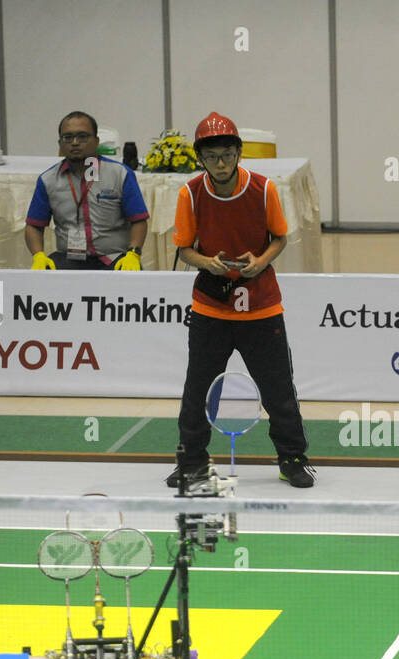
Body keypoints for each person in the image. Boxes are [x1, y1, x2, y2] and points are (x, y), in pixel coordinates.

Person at [166, 112, 313, 489]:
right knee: (197, 389)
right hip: (210, 308)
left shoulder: (264, 189)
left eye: (227, 155)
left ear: (239, 154)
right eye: (212, 156)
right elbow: (184, 249)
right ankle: (192, 460)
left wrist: (260, 262)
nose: (220, 163)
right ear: (200, 157)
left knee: (278, 388)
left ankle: (292, 458)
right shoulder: (190, 193)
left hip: (262, 306)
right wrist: (208, 263)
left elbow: (279, 237)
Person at [25, 112, 148, 270]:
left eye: (82, 136)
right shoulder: (48, 180)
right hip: (68, 259)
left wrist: (133, 253)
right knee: (43, 279)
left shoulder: (120, 174)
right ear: (60, 143)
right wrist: (38, 255)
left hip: (114, 258)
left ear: (96, 141)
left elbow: (138, 220)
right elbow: (34, 225)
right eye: (67, 137)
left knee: (132, 277)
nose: (75, 142)